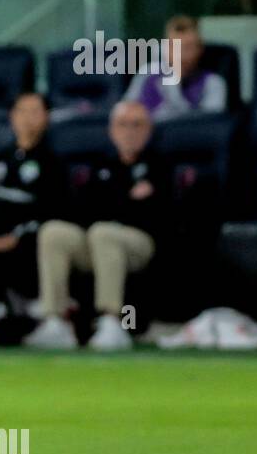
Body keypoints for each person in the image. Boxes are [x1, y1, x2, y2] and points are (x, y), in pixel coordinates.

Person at [25, 101, 166, 351]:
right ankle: (55, 321)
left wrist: (115, 206)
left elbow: (156, 215)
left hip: (140, 244)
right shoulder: (102, 165)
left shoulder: (160, 166)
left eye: (137, 125)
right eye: (123, 125)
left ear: (149, 130)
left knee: (103, 232)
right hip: (98, 240)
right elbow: (84, 208)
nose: (130, 131)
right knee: (54, 231)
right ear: (112, 130)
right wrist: (127, 201)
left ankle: (112, 321)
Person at [0, 93, 62, 309]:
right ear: (12, 117)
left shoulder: (54, 163)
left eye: (35, 112)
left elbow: (54, 210)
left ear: (46, 117)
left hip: (27, 237)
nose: (27, 118)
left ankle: (27, 304)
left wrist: (18, 236)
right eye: (22, 111)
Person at [124, 15, 227, 120]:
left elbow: (210, 126)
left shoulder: (213, 83)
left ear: (199, 50)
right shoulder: (148, 73)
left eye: (187, 48)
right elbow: (126, 113)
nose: (180, 54)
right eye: (174, 47)